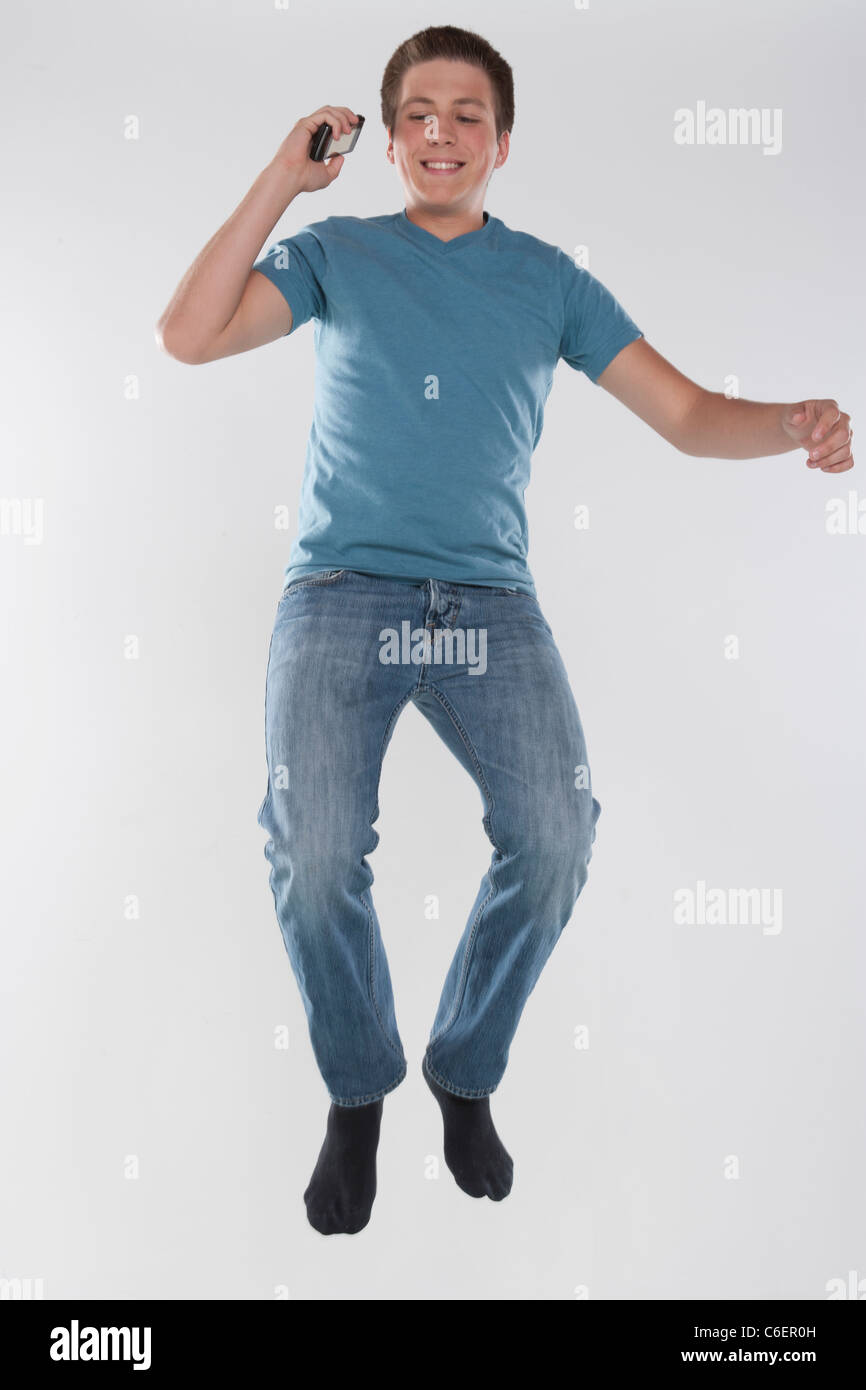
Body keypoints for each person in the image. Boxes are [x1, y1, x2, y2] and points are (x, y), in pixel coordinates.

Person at [156, 25, 853, 1237]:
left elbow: (685, 414)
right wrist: (280, 177)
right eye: (417, 113)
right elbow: (189, 334)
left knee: (556, 835)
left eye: (467, 114)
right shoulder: (334, 252)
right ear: (386, 141)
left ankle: (461, 1070)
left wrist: (789, 422)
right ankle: (358, 1089)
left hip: (487, 607)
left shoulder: (548, 282)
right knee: (314, 856)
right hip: (341, 594)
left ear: (502, 143)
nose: (441, 132)